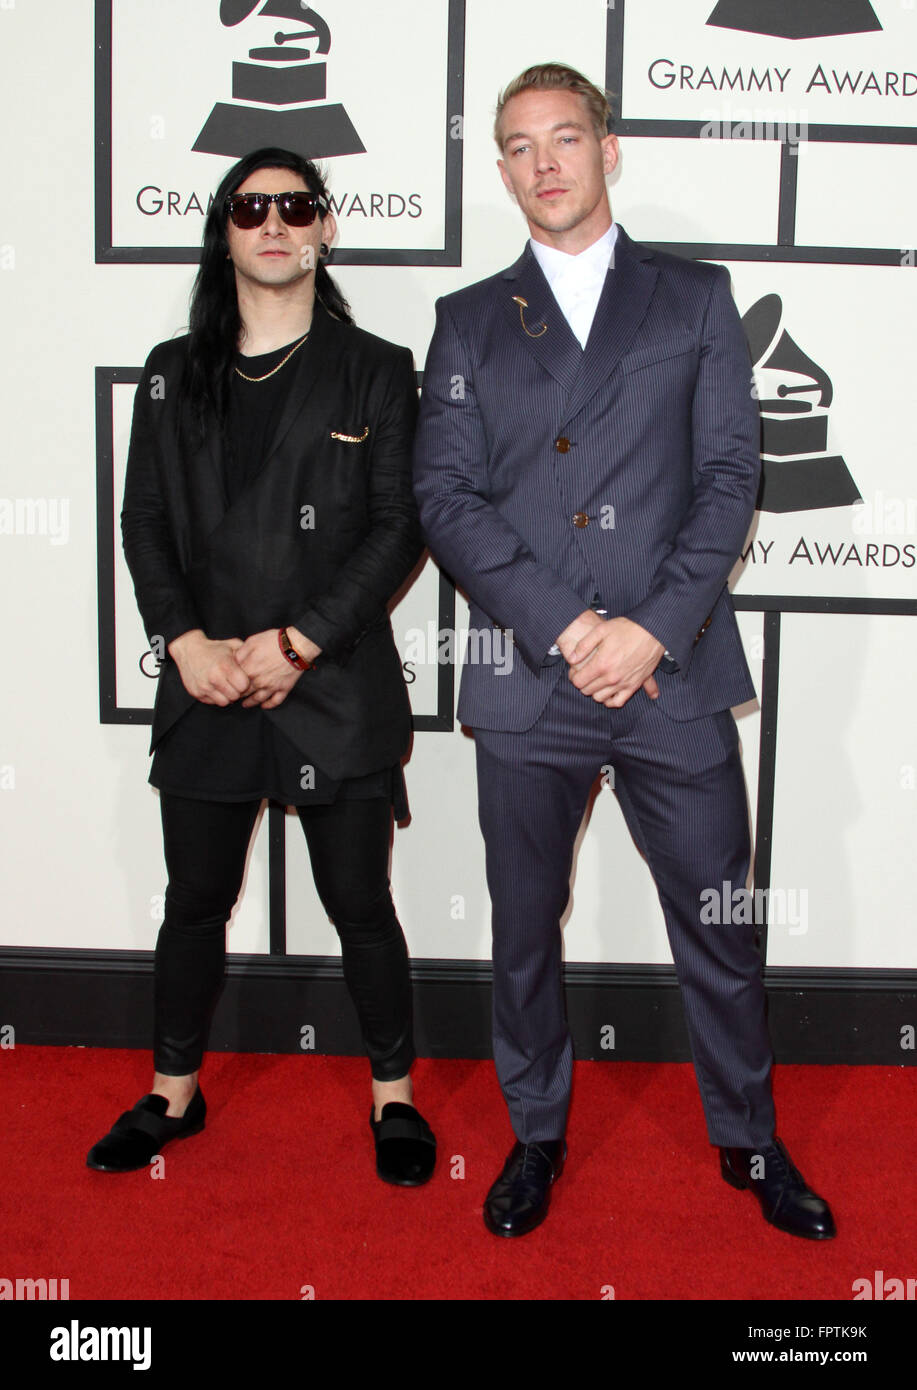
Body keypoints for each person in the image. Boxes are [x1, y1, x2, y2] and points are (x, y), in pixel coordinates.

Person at [413, 65, 834, 1237]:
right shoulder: (462, 322)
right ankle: (534, 1134)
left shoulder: (694, 298)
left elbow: (727, 478)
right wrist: (564, 626)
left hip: (671, 666)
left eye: (563, 137)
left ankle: (748, 1141)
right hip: (527, 676)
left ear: (608, 147)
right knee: (519, 927)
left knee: (718, 918)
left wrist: (647, 626)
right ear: (498, 168)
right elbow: (444, 499)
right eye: (516, 146)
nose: (541, 162)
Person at [87, 147, 435, 1187]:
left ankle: (393, 1100)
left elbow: (398, 525)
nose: (273, 222)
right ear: (225, 230)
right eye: (250, 207)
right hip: (204, 682)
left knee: (359, 902)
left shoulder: (376, 368)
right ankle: (172, 1092)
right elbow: (142, 519)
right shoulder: (169, 370)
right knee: (192, 897)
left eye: (295, 206)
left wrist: (299, 641)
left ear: (324, 228)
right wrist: (184, 640)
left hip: (328, 680)